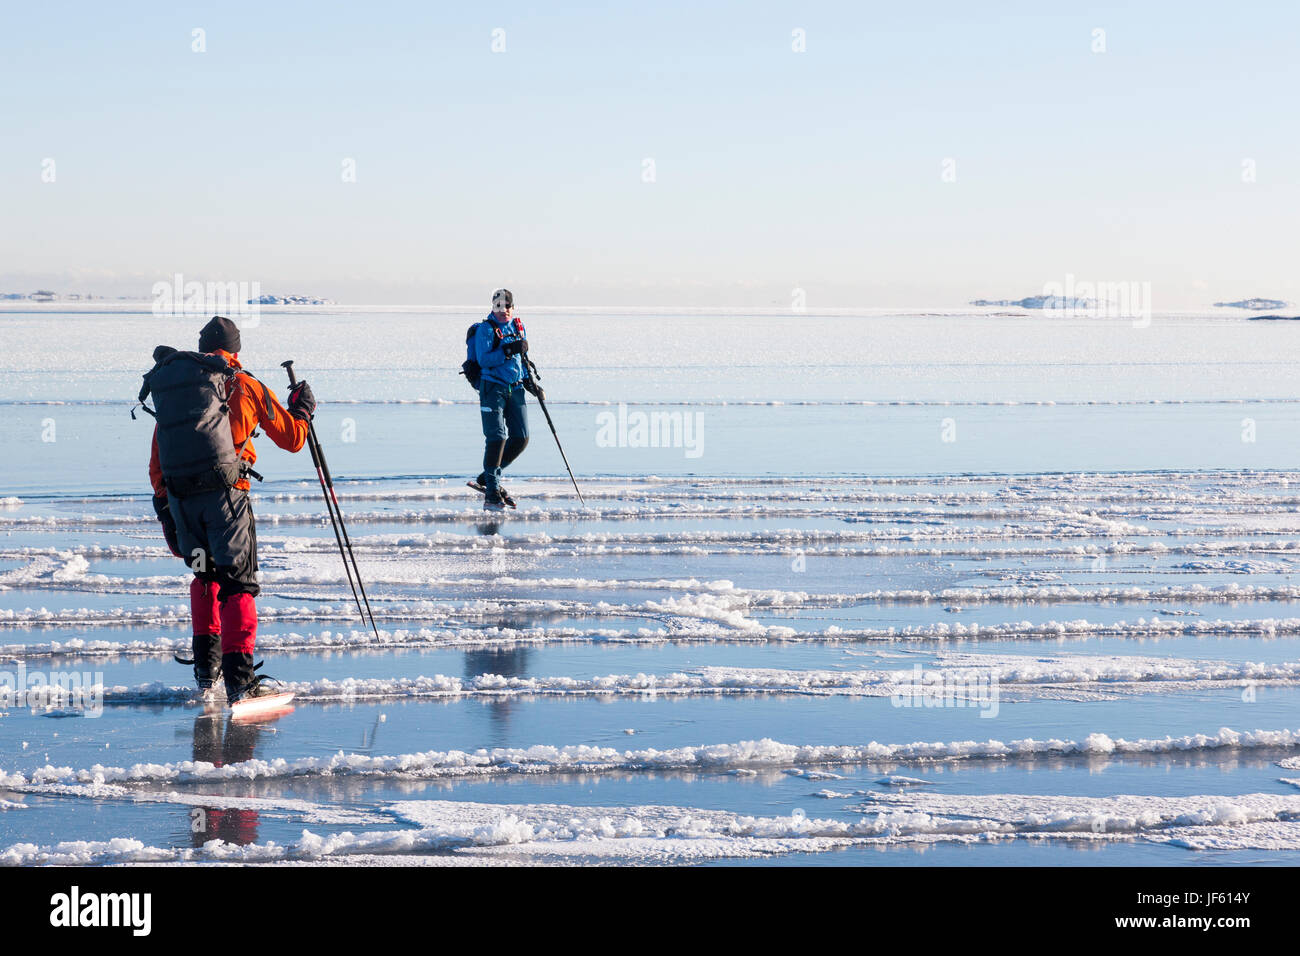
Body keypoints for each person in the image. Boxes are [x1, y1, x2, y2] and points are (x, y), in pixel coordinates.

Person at [146, 315, 316, 702]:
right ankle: (241, 682)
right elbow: (292, 439)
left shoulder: (181, 390)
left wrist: (165, 509)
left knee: (205, 576)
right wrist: (303, 411)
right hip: (227, 501)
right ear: (235, 350)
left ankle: (207, 674)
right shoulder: (246, 384)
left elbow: (157, 459)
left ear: (202, 347)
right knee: (238, 585)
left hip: (183, 503)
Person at [467, 289, 542, 510]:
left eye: (507, 306)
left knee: (521, 438)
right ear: (493, 307)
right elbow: (484, 360)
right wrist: (508, 350)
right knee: (497, 437)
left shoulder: (518, 326)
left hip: (515, 387)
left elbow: (522, 359)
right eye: (499, 306)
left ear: (512, 307)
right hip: (492, 388)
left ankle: (487, 478)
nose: (504, 310)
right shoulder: (485, 330)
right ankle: (492, 491)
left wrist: (530, 382)